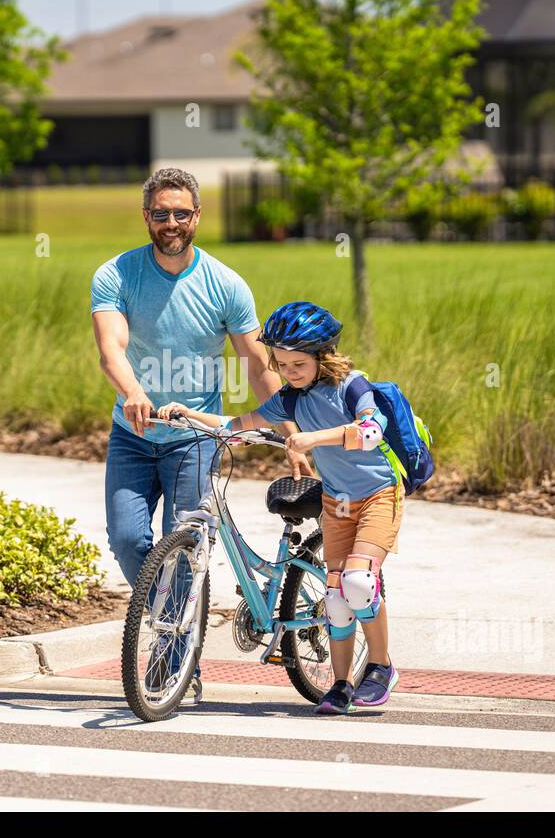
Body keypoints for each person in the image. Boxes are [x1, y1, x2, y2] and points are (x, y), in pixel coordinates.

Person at [90, 168, 312, 705]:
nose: (172, 223)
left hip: (194, 440)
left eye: (181, 213)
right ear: (147, 217)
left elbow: (258, 368)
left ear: (196, 217)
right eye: (161, 213)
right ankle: (175, 627)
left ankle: (172, 662)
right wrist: (134, 392)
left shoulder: (226, 285)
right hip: (133, 433)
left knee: (186, 549)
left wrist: (291, 435)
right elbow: (111, 348)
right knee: (128, 541)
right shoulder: (116, 274)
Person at [155, 301, 401, 714]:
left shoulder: (352, 386)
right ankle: (340, 686)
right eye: (281, 364)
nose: (289, 372)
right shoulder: (290, 398)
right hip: (335, 501)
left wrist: (314, 439)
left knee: (359, 584)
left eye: (298, 364)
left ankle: (380, 666)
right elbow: (241, 421)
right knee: (337, 597)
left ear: (324, 356)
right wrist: (188, 415)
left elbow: (373, 430)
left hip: (378, 494)